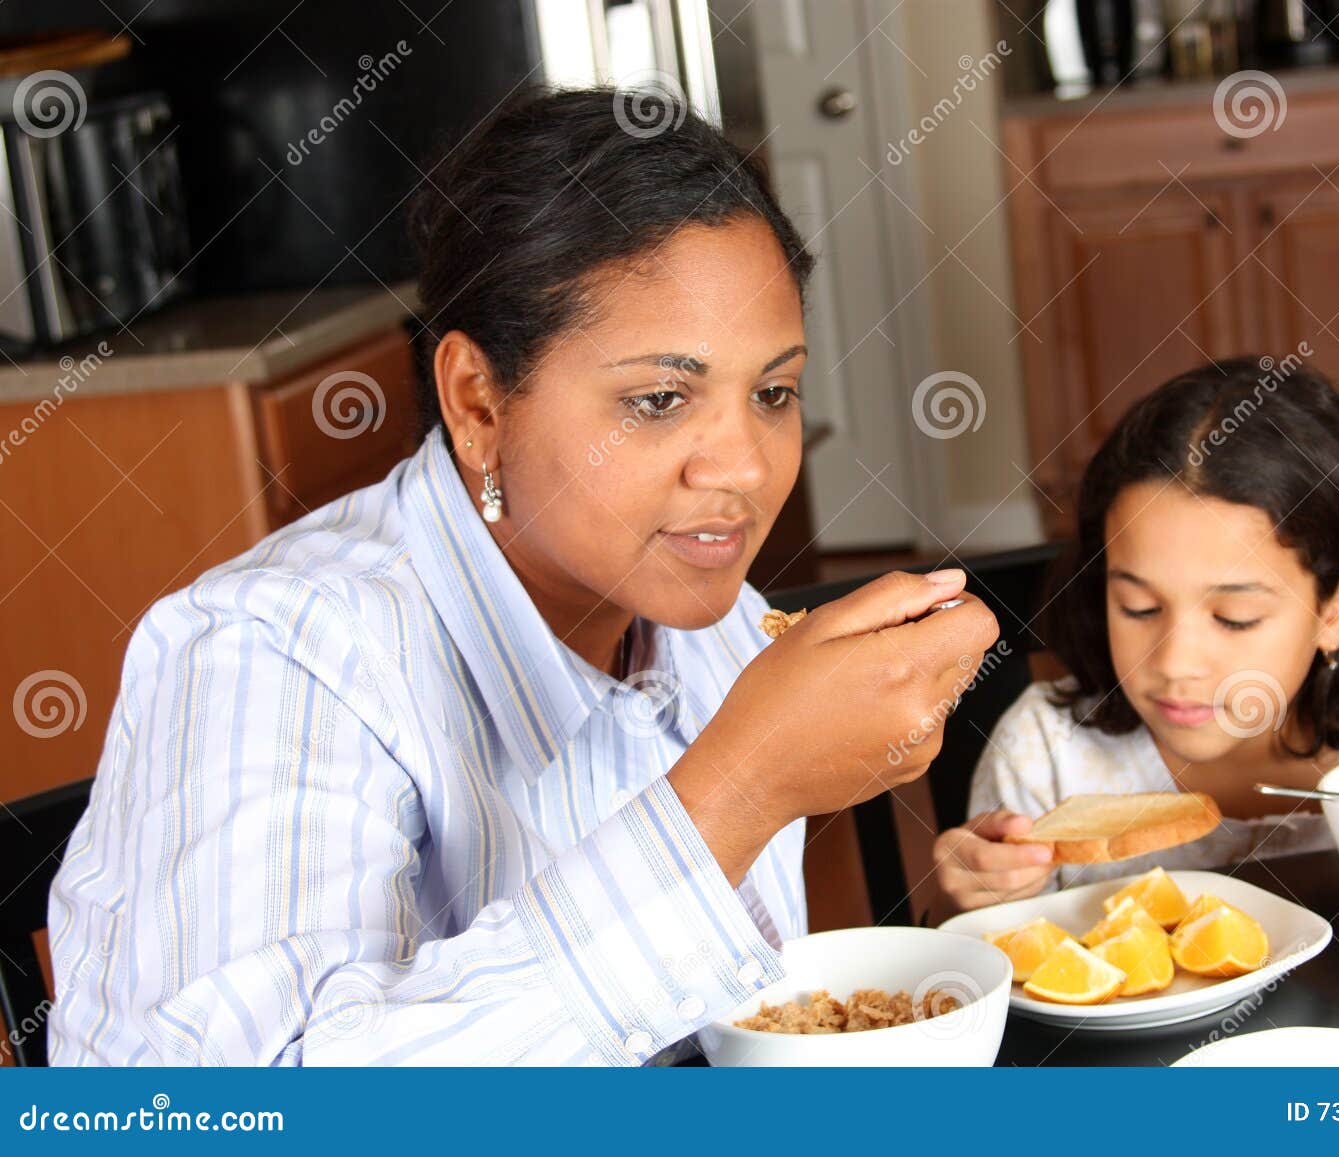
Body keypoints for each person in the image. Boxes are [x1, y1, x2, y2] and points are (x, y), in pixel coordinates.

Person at [48, 86, 997, 1065]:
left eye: (773, 391)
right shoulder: (273, 656)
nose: (746, 468)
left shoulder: (718, 624)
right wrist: (738, 789)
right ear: (477, 403)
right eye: (659, 398)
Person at [932, 357, 1339, 913]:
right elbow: (992, 950)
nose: (1175, 663)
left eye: (1234, 617)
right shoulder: (1045, 754)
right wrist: (979, 895)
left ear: (1338, 610)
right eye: (1138, 607)